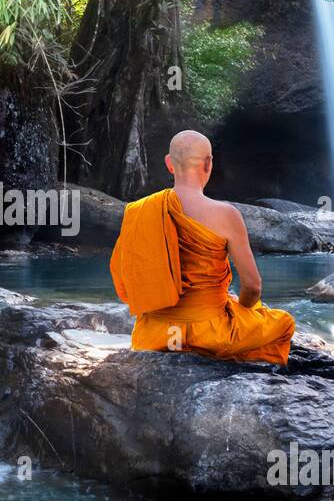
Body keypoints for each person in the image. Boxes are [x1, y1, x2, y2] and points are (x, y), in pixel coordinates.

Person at [109, 130, 295, 365]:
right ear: (208, 164)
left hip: (154, 336)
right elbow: (252, 286)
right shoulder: (226, 214)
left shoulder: (138, 210)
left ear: (169, 163)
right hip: (210, 335)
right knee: (284, 322)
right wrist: (243, 310)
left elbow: (125, 282)